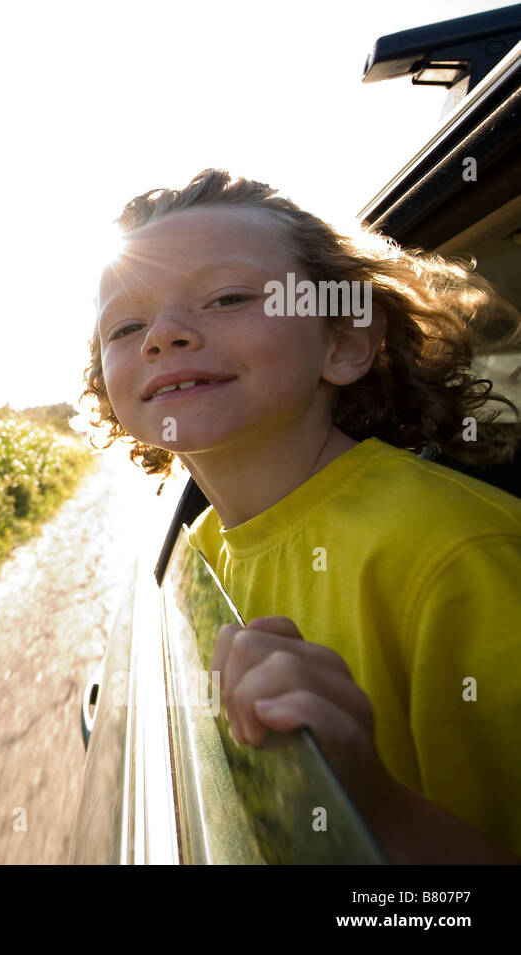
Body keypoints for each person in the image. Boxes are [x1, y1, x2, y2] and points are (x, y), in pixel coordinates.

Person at [81, 168, 521, 864]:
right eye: (127, 327)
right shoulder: (200, 545)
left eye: (226, 297)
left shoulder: (456, 553)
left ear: (343, 342)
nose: (162, 336)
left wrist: (367, 797)